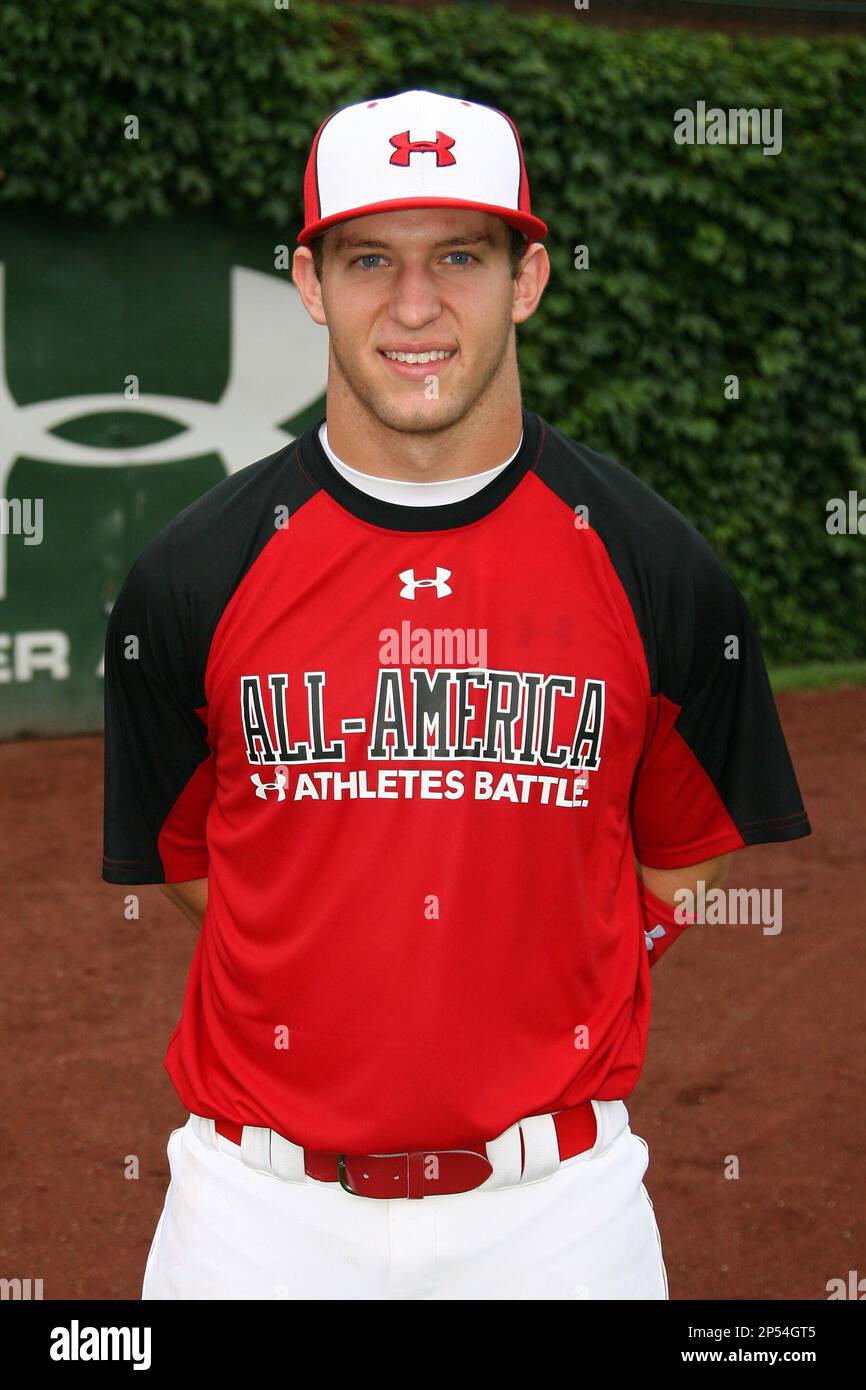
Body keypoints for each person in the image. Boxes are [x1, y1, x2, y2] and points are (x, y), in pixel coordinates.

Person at [102, 89, 811, 1300]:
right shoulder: (192, 573)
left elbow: (680, 852)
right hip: (255, 1219)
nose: (415, 306)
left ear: (528, 277)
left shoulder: (653, 563)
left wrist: (543, 987)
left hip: (555, 1220)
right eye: (369, 257)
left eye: (461, 257)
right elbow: (190, 861)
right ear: (309, 283)